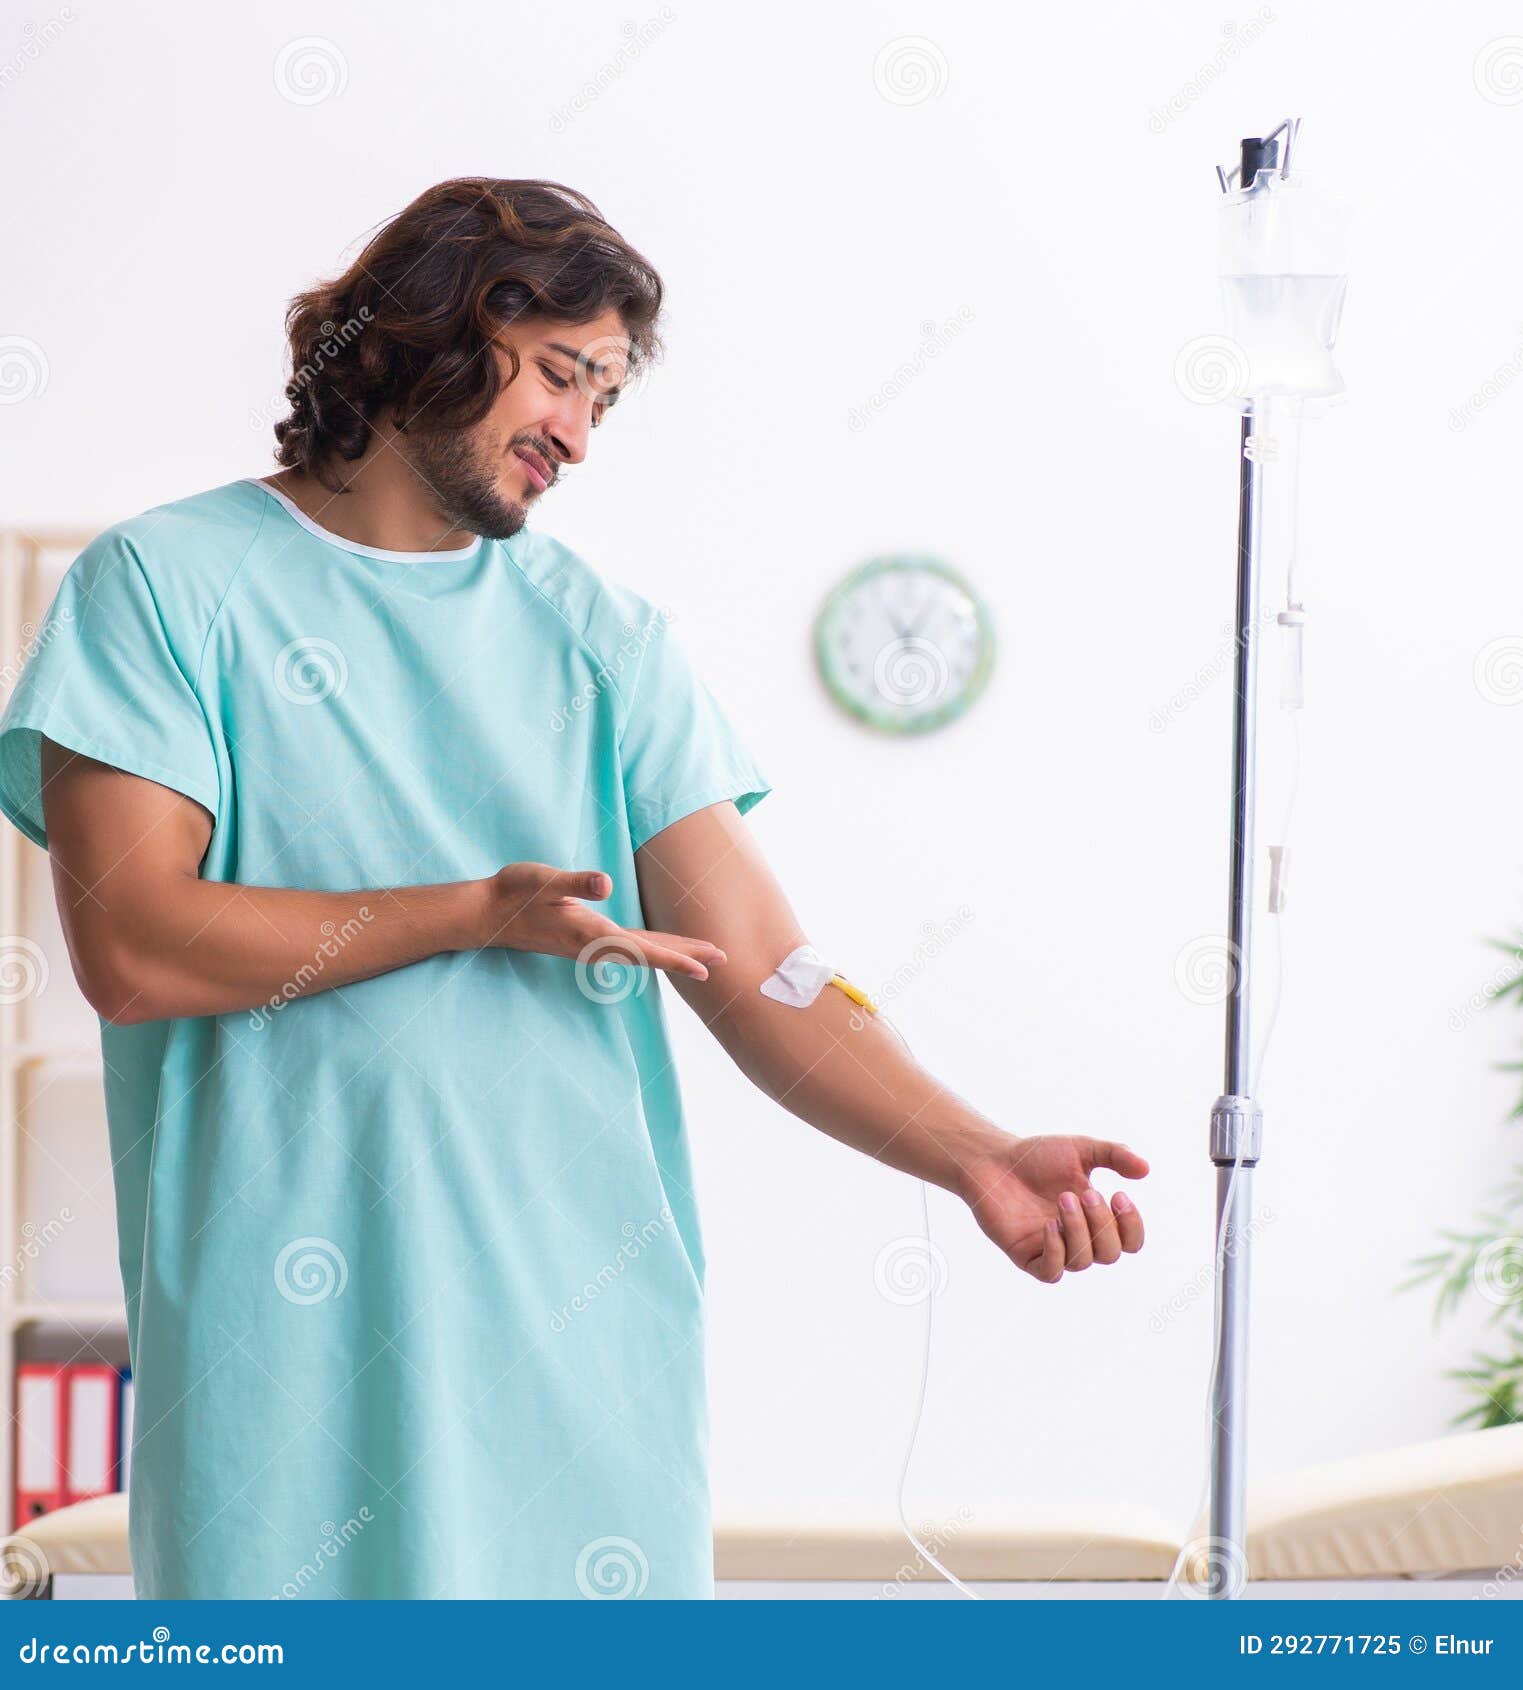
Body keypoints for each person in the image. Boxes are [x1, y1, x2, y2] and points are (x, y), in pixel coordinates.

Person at [0, 177, 1149, 1599]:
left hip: (578, 1357)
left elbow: (769, 971)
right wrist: (472, 912)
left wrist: (975, 1151)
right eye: (558, 375)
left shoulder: (604, 640)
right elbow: (136, 945)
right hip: (281, 1370)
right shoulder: (164, 588)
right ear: (416, 335)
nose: (578, 436)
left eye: (604, 398)